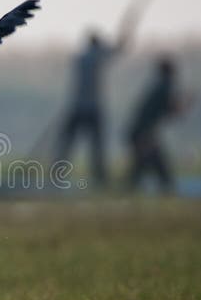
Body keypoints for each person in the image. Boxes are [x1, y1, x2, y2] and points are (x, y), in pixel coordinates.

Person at [53, 11, 138, 186]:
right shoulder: (96, 56)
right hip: (91, 109)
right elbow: (119, 48)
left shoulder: (80, 57)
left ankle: (56, 175)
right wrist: (128, 27)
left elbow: (114, 49)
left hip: (76, 106)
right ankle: (100, 178)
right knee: (97, 147)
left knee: (67, 144)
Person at [125, 55, 189, 192]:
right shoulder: (165, 86)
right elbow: (173, 110)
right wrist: (187, 104)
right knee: (155, 165)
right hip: (145, 133)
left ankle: (131, 189)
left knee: (144, 165)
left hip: (143, 132)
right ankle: (164, 188)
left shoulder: (158, 86)